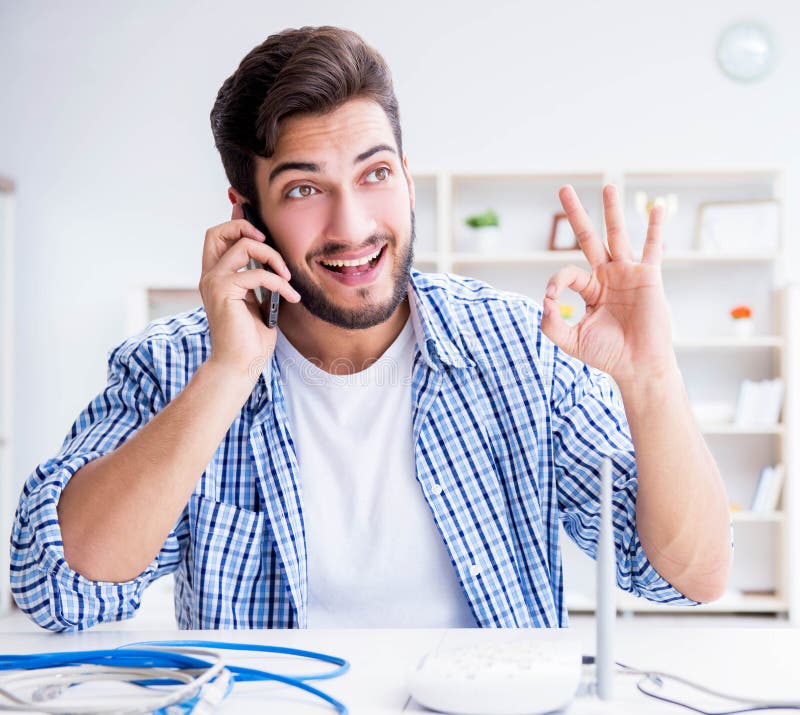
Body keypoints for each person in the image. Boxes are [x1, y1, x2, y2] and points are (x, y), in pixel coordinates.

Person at [10, 26, 731, 632]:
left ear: (408, 179)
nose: (352, 225)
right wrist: (227, 375)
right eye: (303, 189)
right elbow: (57, 589)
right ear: (246, 213)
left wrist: (653, 379)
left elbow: (690, 576)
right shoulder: (174, 368)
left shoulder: (520, 348)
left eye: (375, 174)